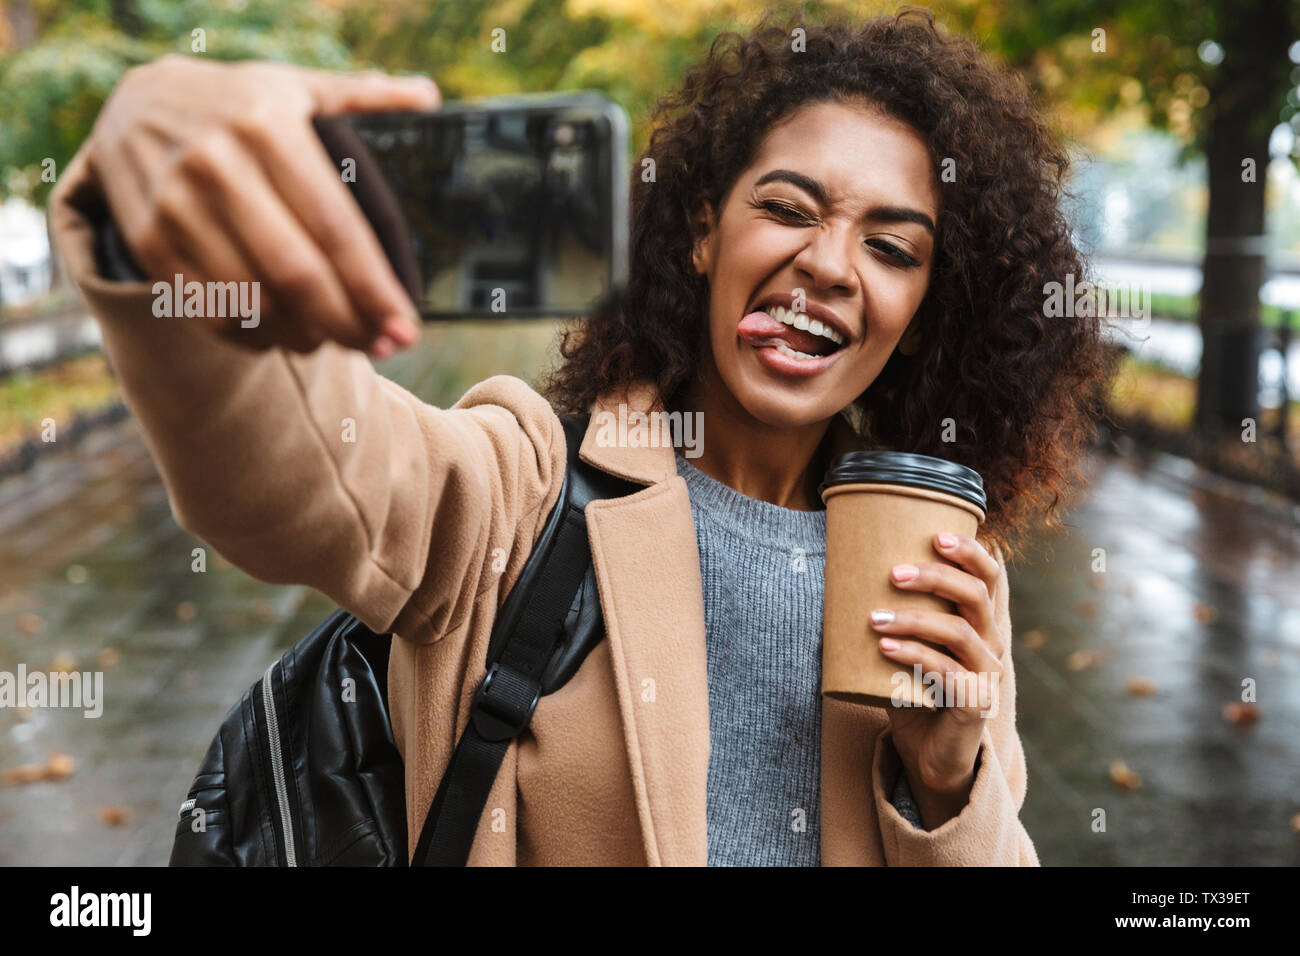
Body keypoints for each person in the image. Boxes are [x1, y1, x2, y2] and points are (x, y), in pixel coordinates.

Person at [49, 9, 1111, 865]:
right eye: (787, 209)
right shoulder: (525, 484)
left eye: (890, 244)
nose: (832, 264)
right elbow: (287, 484)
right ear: (702, 233)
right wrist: (155, 217)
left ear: (925, 304)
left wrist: (946, 785)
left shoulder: (936, 564)